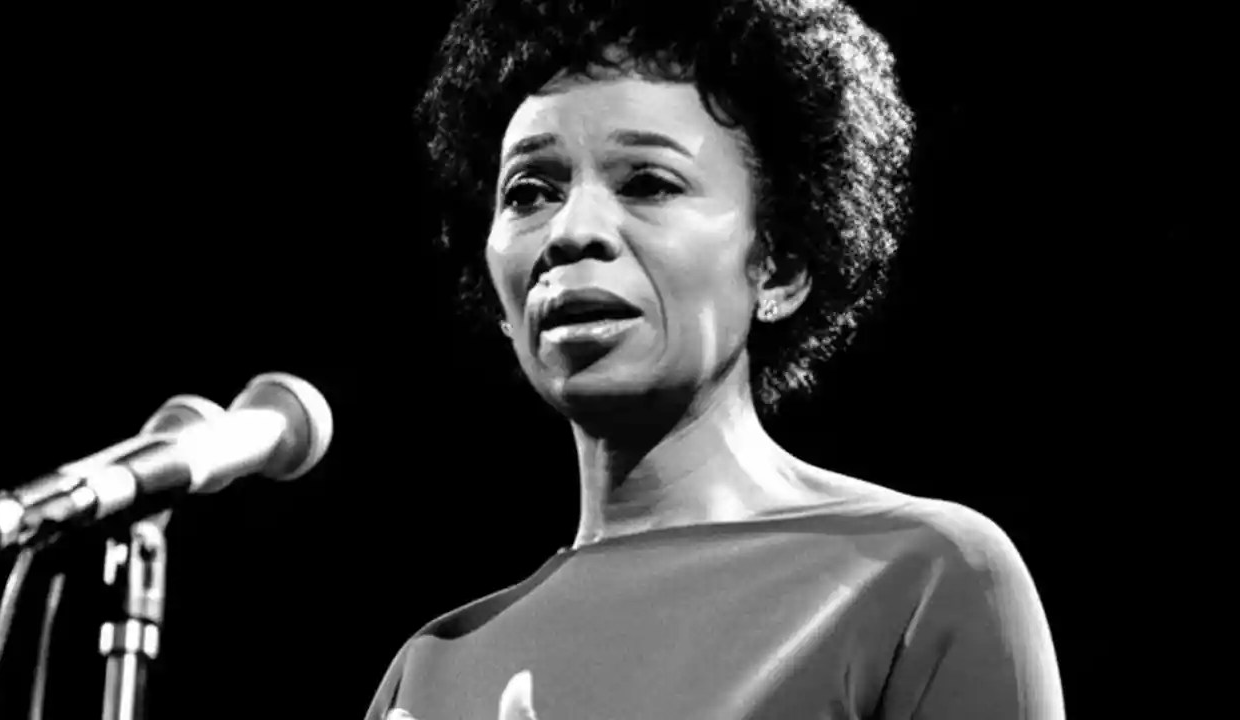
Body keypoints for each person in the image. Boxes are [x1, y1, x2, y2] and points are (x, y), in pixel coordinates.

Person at [367, 0, 1064, 718]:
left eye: (648, 183)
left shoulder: (920, 574)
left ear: (781, 266)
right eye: (529, 193)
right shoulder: (432, 670)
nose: (571, 231)